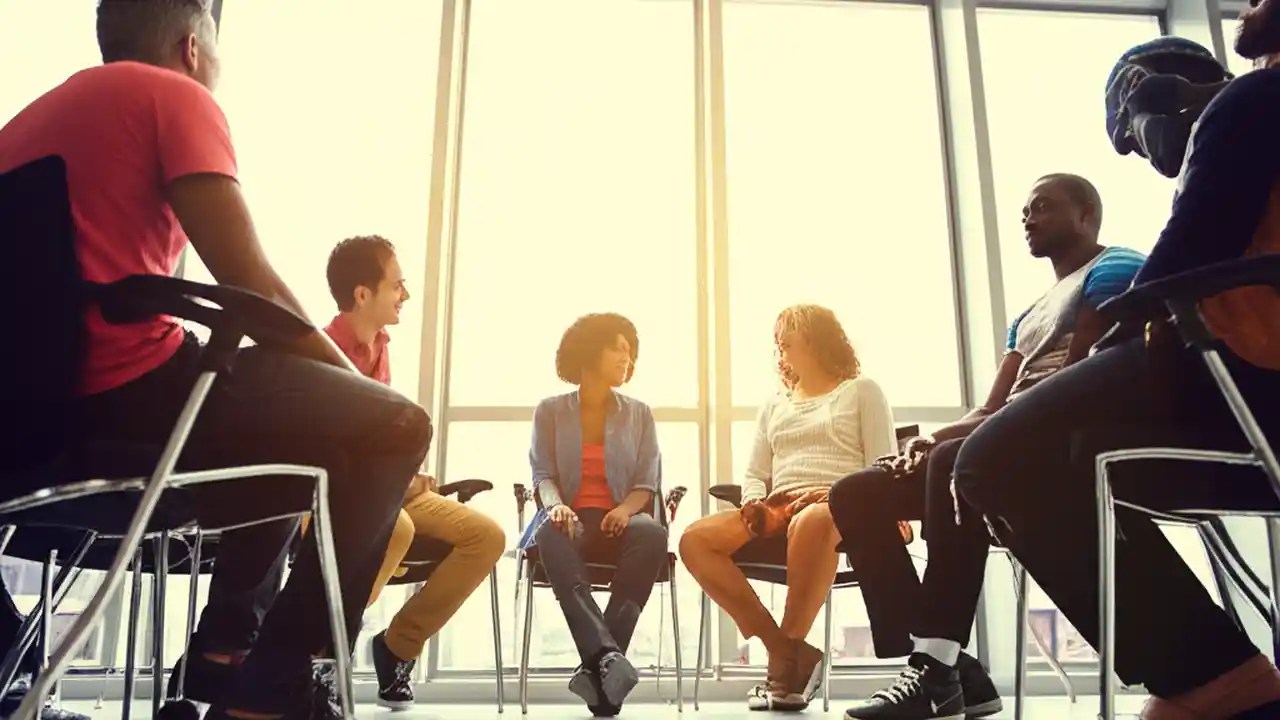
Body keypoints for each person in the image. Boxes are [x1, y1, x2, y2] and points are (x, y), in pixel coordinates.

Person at [0, 2, 426, 718]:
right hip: (134, 390)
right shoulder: (172, 94)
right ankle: (274, 683)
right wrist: (355, 387)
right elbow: (248, 279)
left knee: (292, 454)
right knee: (395, 425)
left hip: (32, 423)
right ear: (192, 45)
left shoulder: (26, 127)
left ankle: (225, 654)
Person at [940, 5, 1280, 718]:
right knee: (1064, 456)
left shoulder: (1254, 100)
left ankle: (1213, 673)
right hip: (1254, 405)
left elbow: (1177, 262)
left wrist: (1111, 341)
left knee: (995, 461)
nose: (1247, 6)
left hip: (1252, 394)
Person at [835, 174, 1145, 720]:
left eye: (1043, 207)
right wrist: (929, 439)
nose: (1028, 218)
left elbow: (1081, 377)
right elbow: (989, 408)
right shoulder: (1026, 318)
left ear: (1087, 216)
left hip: (1063, 440)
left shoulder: (1115, 267)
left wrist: (959, 444)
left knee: (955, 462)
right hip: (1001, 440)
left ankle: (934, 668)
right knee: (858, 494)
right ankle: (950, 667)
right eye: (1025, 210)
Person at [680, 304, 896, 712]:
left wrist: (835, 497)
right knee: (694, 540)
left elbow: (882, 466)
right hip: (777, 509)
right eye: (778, 339)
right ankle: (784, 651)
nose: (780, 346)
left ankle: (785, 665)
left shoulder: (861, 391)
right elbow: (755, 473)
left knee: (813, 519)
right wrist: (751, 503)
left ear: (817, 341)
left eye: (789, 337)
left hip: (837, 503)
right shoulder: (775, 403)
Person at [320, 235, 505, 711]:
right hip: (344, 495)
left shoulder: (380, 345)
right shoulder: (323, 351)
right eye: (397, 286)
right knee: (395, 530)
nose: (405, 295)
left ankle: (397, 646)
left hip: (390, 489)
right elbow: (330, 449)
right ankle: (324, 652)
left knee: (486, 537)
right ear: (363, 295)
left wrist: (406, 477)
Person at [524, 313, 669, 717]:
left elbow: (647, 481)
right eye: (618, 349)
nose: (628, 359)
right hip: (570, 519)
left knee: (652, 534)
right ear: (591, 350)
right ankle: (608, 661)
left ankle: (598, 665)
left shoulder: (639, 413)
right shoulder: (550, 411)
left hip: (623, 520)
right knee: (550, 534)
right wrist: (557, 507)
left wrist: (624, 510)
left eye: (630, 352)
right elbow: (542, 474)